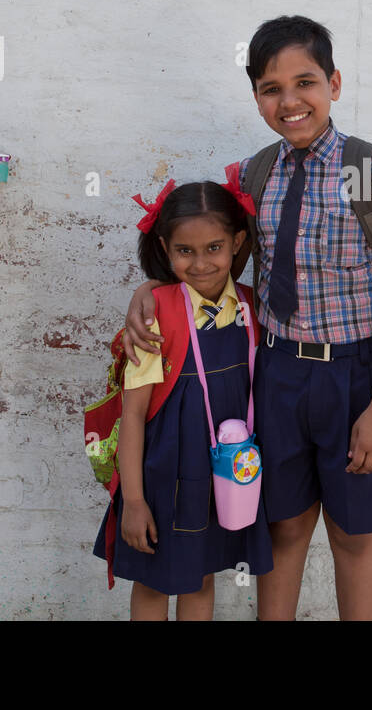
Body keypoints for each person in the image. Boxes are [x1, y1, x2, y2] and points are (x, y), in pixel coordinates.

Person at [123, 15, 372, 620]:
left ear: (334, 84)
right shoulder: (255, 178)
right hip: (278, 376)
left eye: (305, 82)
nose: (290, 101)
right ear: (257, 96)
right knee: (284, 532)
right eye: (270, 88)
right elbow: (211, 259)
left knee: (354, 534)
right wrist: (149, 291)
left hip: (358, 379)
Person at [93, 179, 272, 620]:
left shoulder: (251, 307)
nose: (201, 263)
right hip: (164, 481)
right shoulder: (156, 316)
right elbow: (134, 416)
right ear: (165, 248)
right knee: (155, 580)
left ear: (238, 242)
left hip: (224, 473)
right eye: (185, 251)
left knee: (202, 575)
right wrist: (134, 502)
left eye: (214, 247)